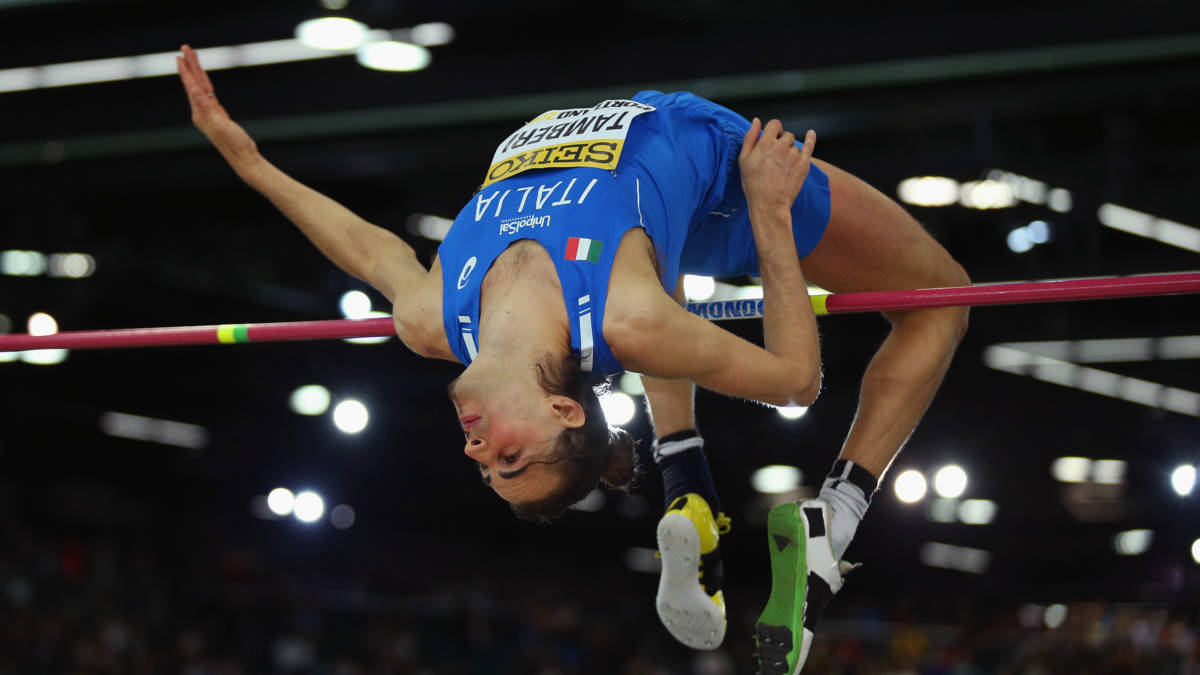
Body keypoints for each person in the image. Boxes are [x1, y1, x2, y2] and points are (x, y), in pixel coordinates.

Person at [177, 45, 968, 672]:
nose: (478, 452)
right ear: (563, 409)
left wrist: (247, 161)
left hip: (643, 212)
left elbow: (366, 247)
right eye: (511, 460)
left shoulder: (433, 319)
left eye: (483, 469)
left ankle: (685, 478)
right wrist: (766, 213)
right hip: (724, 180)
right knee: (944, 295)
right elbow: (797, 378)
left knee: (653, 290)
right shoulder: (628, 317)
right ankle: (838, 515)